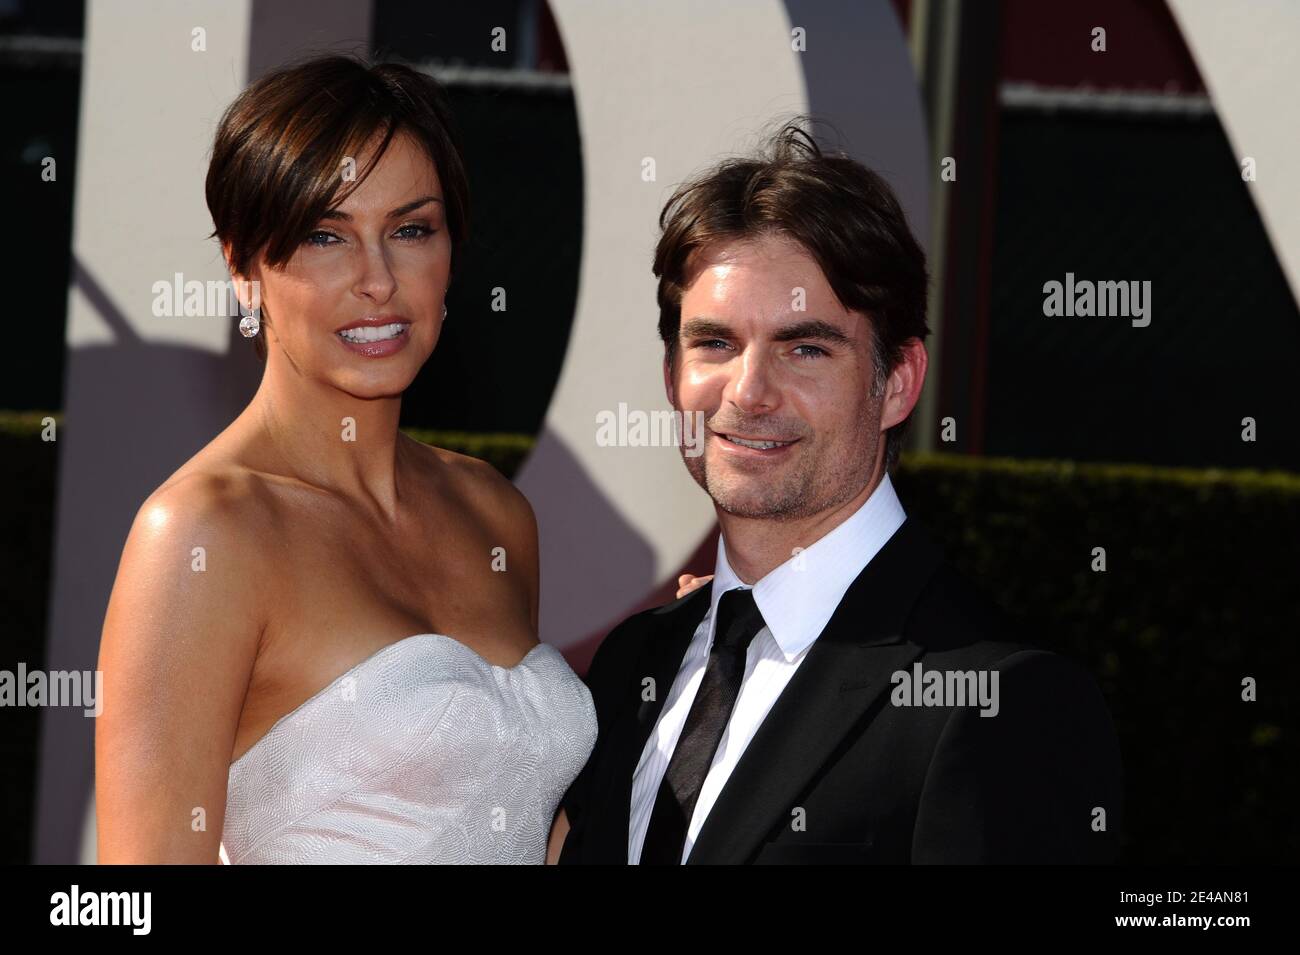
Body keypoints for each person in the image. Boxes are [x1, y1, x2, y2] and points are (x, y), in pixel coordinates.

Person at [555, 124, 1123, 864]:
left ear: (897, 383)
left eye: (805, 347)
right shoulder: (636, 659)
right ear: (672, 377)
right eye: (716, 343)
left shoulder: (999, 699)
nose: (749, 392)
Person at [95, 55, 595, 864]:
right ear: (242, 266)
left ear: (451, 254)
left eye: (411, 229)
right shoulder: (203, 533)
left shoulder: (494, 512)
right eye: (326, 235)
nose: (377, 279)